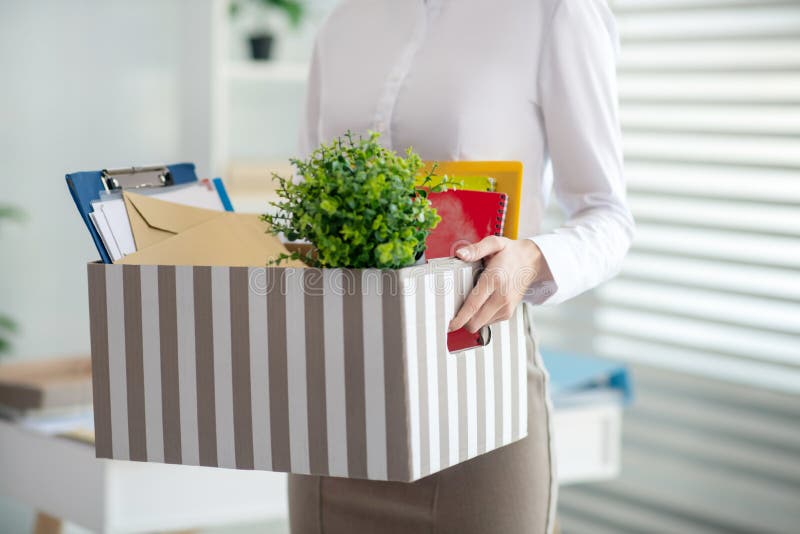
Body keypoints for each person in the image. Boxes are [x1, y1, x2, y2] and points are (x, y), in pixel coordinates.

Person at [289, 0, 634, 532]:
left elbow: (608, 216)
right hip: (337, 405)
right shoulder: (342, 22)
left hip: (481, 398)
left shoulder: (554, 13)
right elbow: (306, 209)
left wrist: (531, 258)